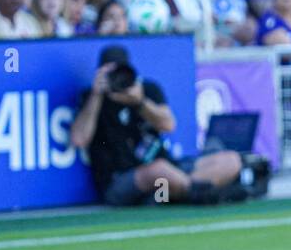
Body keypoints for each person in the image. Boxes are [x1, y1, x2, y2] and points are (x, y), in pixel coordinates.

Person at [68, 44, 257, 206]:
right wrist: (96, 96)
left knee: (231, 160)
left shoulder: (146, 90)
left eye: (120, 72)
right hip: (123, 182)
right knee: (158, 171)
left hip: (168, 176)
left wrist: (140, 102)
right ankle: (201, 193)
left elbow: (168, 125)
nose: (117, 80)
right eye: (110, 74)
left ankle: (184, 193)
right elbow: (78, 139)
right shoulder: (91, 98)